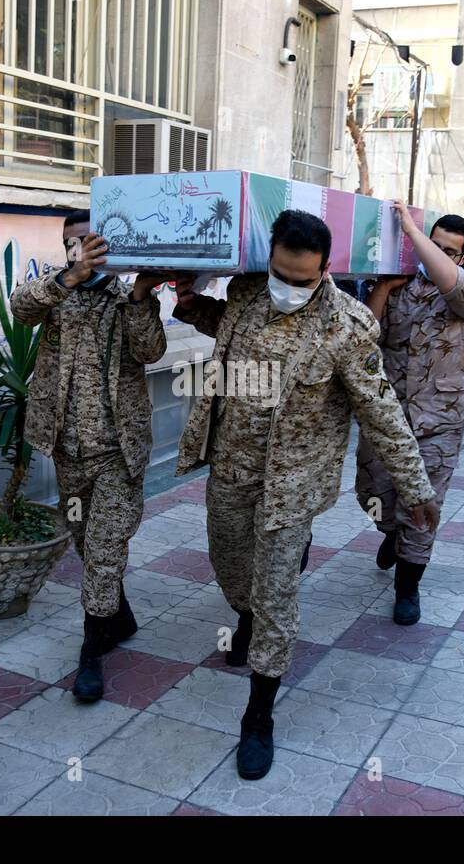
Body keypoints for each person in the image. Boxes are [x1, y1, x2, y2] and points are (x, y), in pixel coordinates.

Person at [172, 209, 439, 780]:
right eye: (281, 275)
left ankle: (258, 714)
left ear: (325, 269)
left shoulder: (349, 326)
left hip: (293, 484)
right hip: (231, 468)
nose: (290, 287)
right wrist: (190, 304)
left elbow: (381, 411)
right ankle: (244, 611)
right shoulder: (246, 294)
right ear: (268, 259)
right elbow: (226, 326)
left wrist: (414, 485)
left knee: (276, 596)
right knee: (229, 565)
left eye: (303, 280)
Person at [9, 211, 168, 702]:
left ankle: (91, 651)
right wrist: (68, 278)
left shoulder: (128, 296)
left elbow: (151, 351)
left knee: (103, 548)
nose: (75, 249)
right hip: (67, 448)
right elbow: (21, 309)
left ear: (106, 243)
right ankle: (118, 615)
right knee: (83, 539)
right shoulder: (55, 289)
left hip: (118, 451)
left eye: (85, 240)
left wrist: (140, 298)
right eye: (68, 243)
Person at [357, 208, 464, 622]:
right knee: (372, 492)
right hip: (388, 413)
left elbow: (450, 281)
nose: (439, 255)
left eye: (450, 251)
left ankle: (408, 587)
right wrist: (382, 287)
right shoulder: (399, 284)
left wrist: (413, 232)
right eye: (434, 245)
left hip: (439, 420)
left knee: (421, 505)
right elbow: (362, 334)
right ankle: (390, 534)